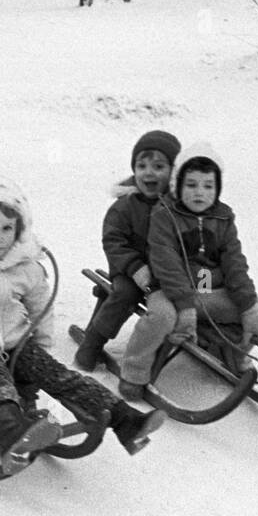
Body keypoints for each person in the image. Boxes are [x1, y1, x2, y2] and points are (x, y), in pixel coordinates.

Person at [0, 172, 166, 474]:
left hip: (20, 345)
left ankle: (126, 420)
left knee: (61, 377)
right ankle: (13, 435)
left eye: (7, 228)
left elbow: (40, 311)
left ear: (19, 228)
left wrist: (42, 349)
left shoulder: (25, 267)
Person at [118, 143, 258, 398]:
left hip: (202, 285)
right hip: (165, 286)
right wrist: (185, 307)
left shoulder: (222, 218)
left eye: (208, 186)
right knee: (163, 316)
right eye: (191, 185)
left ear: (217, 189)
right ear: (178, 185)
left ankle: (230, 353)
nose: (200, 193)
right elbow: (166, 262)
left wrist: (247, 305)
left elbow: (235, 262)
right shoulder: (165, 215)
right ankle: (133, 372)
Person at [74, 129, 182, 370]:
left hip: (167, 272)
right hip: (131, 269)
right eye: (142, 166)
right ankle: (92, 342)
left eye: (158, 166)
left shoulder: (179, 206)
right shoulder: (125, 206)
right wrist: (135, 268)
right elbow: (113, 241)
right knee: (125, 295)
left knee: (199, 294)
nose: (149, 172)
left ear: (174, 172)